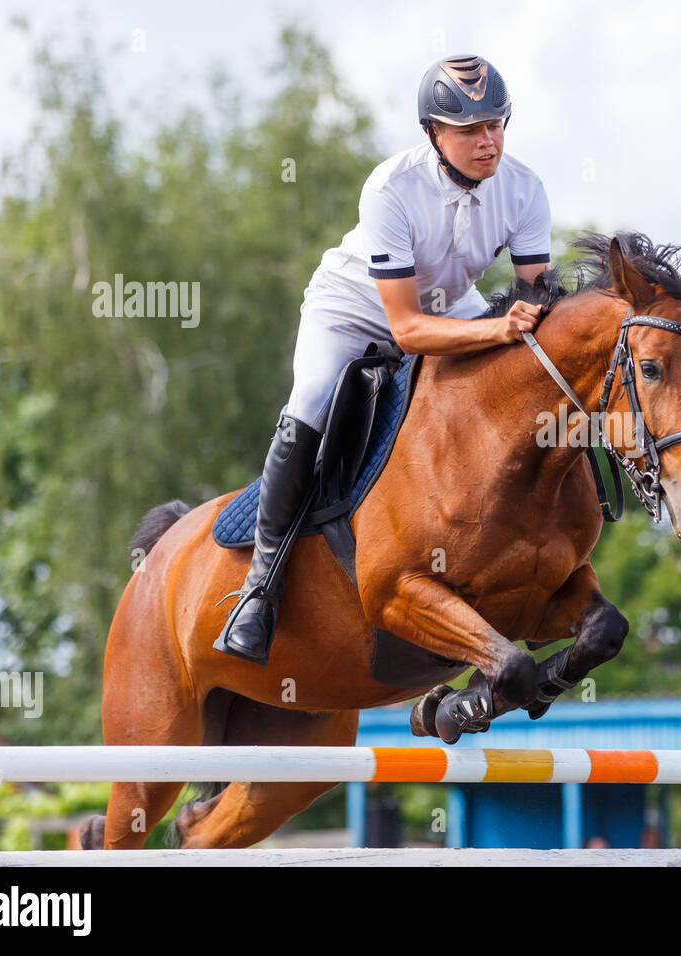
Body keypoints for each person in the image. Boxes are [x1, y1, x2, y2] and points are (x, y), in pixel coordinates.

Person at [216, 55, 553, 664]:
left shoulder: (525, 189)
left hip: (450, 305)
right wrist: (499, 328)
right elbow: (405, 328)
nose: (488, 141)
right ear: (433, 133)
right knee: (313, 398)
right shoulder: (392, 187)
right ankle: (259, 587)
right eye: (470, 130)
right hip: (355, 308)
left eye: (496, 125)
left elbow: (536, 299)